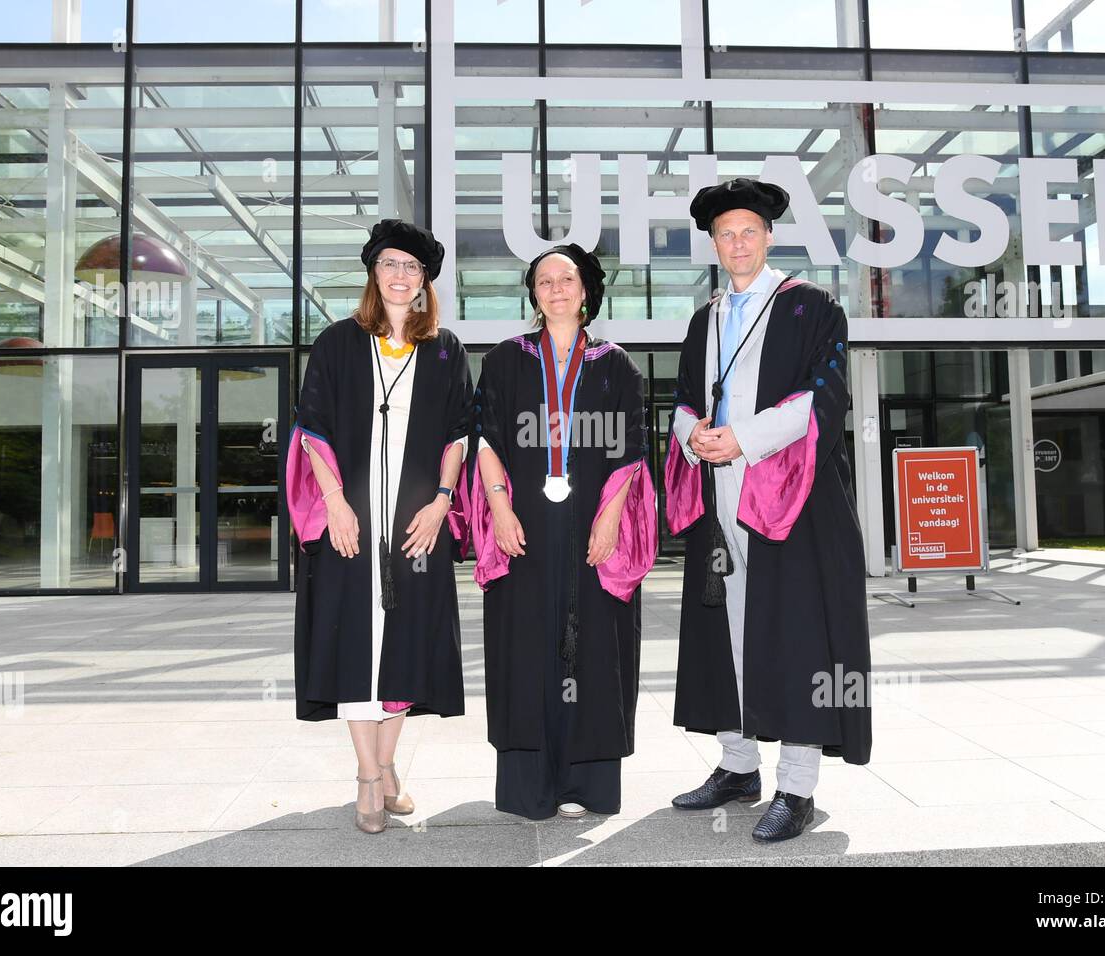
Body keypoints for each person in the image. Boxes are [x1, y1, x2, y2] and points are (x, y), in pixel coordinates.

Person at [665, 178, 872, 842]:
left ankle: (797, 785)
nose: (738, 242)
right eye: (726, 233)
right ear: (715, 243)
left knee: (796, 634)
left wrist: (744, 438)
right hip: (717, 492)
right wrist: (693, 437)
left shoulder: (813, 308)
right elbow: (681, 400)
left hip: (792, 498)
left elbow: (823, 399)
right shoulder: (706, 318)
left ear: (770, 236)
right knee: (723, 630)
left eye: (749, 230)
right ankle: (738, 766)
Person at [286, 218, 474, 834]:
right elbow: (311, 430)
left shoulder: (444, 348)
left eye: (412, 267)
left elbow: (457, 435)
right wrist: (336, 502)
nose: (400, 275)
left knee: (404, 644)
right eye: (391, 264)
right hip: (354, 522)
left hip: (418, 521)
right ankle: (368, 776)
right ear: (374, 272)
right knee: (355, 643)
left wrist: (443, 500)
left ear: (424, 281)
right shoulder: (339, 343)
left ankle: (387, 765)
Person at [471, 243, 657, 820]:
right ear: (534, 293)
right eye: (544, 280)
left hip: (592, 530)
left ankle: (591, 780)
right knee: (525, 647)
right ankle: (531, 785)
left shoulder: (615, 364)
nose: (555, 288)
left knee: (596, 645)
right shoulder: (505, 360)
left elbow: (632, 449)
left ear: (586, 291)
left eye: (566, 279)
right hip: (523, 529)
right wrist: (499, 509)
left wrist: (608, 518)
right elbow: (485, 439)